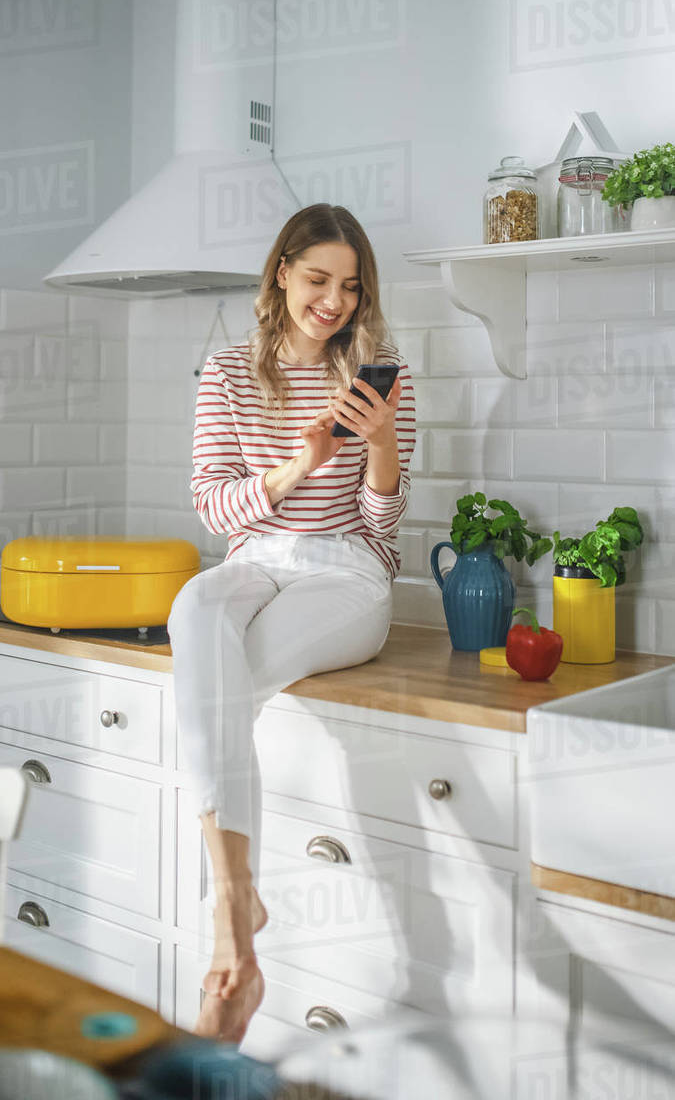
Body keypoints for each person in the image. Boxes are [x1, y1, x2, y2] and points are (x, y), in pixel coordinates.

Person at [167, 202, 416, 1045]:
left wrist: (377, 443)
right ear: (281, 272)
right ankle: (240, 902)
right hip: (251, 562)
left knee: (215, 688)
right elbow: (213, 508)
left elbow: (382, 528)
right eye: (317, 279)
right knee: (194, 604)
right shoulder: (227, 373)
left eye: (350, 286)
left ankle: (231, 926)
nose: (334, 300)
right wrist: (298, 464)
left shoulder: (381, 374)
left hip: (345, 573)